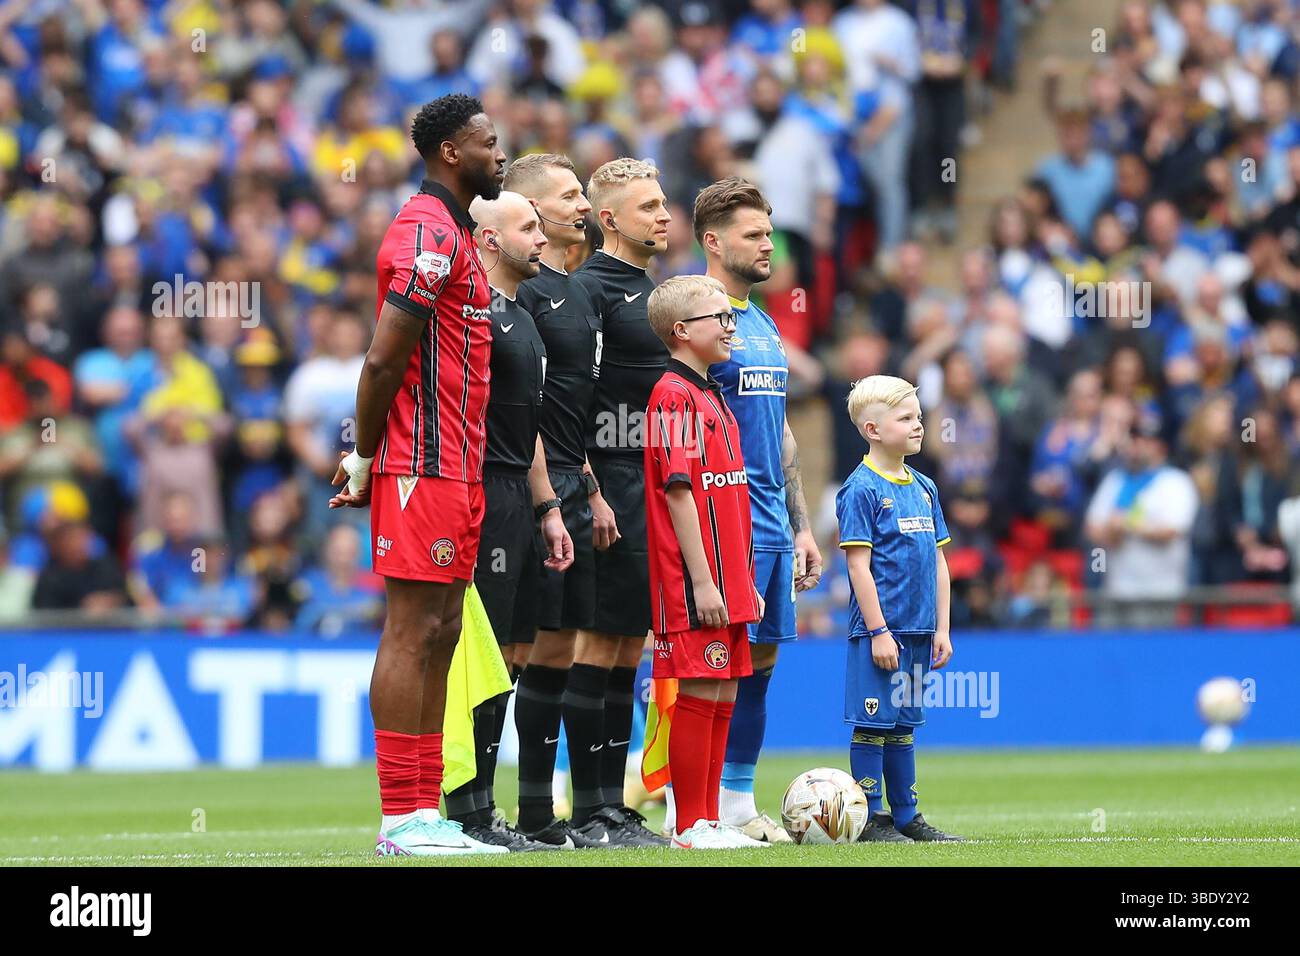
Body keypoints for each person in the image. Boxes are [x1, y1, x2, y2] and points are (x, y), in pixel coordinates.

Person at [328, 93, 508, 857]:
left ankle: (426, 812)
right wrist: (366, 457)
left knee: (440, 632)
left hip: (457, 469)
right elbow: (381, 356)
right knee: (411, 631)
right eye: (487, 143)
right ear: (449, 153)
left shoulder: (460, 235)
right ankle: (400, 818)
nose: (500, 155)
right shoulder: (426, 234)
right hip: (418, 465)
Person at [663, 177, 822, 844]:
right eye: (754, 234)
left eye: (770, 232)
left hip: (770, 529)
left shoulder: (761, 325)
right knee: (707, 667)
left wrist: (803, 524)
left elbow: (780, 435)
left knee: (758, 667)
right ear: (713, 241)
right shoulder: (694, 320)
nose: (768, 245)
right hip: (720, 527)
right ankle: (682, 804)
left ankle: (734, 801)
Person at [439, 189, 573, 852]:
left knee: (514, 656)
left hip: (519, 493)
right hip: (482, 494)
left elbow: (533, 427)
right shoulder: (475, 316)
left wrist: (548, 507)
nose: (541, 239)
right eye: (528, 228)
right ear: (489, 240)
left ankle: (483, 808)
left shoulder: (523, 316)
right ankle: (465, 808)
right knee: (483, 658)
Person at [503, 152, 615, 847]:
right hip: (530, 486)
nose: (581, 204)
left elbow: (579, 406)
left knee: (558, 654)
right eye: (569, 194)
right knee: (514, 654)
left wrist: (592, 489)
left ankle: (540, 816)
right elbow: (530, 407)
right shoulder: (524, 294)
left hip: (575, 485)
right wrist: (547, 496)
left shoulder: (574, 291)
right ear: (530, 211)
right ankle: (480, 808)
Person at [565, 157, 673, 847]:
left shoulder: (650, 288)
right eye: (649, 207)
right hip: (609, 489)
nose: (665, 215)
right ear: (610, 220)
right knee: (597, 646)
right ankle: (589, 808)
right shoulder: (590, 292)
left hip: (650, 490)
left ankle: (612, 806)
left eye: (664, 203)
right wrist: (593, 490)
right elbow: (569, 403)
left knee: (626, 650)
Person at [643, 274, 771, 850]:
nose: (729, 327)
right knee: (698, 691)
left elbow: (728, 496)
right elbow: (678, 492)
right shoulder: (672, 395)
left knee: (723, 692)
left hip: (727, 578)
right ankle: (691, 825)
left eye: (731, 317)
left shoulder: (711, 392)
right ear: (680, 331)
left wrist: (740, 579)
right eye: (717, 318)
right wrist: (703, 581)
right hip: (695, 581)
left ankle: (710, 817)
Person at [836, 374, 963, 843]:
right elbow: (857, 568)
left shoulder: (925, 487)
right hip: (881, 635)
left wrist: (942, 628)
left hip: (919, 633)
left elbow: (939, 563)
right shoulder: (861, 489)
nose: (919, 426)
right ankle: (869, 818)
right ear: (873, 429)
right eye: (906, 418)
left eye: (920, 417)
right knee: (873, 724)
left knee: (903, 727)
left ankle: (908, 816)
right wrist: (878, 631)